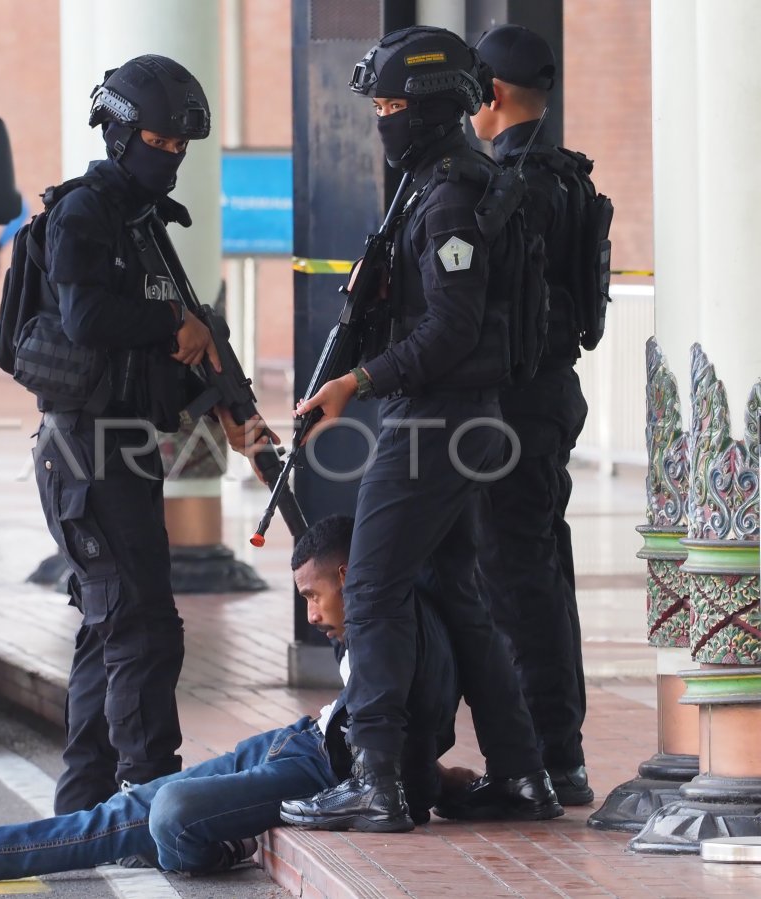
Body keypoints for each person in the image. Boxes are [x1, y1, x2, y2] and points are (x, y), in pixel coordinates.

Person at [278, 26, 562, 831]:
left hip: (440, 421)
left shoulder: (450, 195)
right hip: (456, 418)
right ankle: (522, 773)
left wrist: (357, 381)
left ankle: (375, 780)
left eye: (395, 104)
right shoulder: (437, 179)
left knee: (369, 586)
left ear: (434, 106)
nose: (383, 118)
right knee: (457, 595)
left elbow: (451, 330)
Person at [0, 515, 468, 886]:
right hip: (295, 742)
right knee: (127, 810)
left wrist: (435, 784)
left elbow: (405, 729)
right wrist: (440, 780)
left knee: (167, 814)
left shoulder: (382, 620)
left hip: (313, 771)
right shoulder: (386, 618)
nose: (311, 616)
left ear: (347, 573)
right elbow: (398, 723)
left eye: (315, 597)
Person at [28, 54, 251, 816]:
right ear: (121, 134)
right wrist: (173, 325)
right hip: (83, 451)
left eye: (181, 149)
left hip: (125, 450)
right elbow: (88, 320)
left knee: (111, 627)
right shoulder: (83, 214)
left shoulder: (148, 227)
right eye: (159, 143)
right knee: (142, 629)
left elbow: (188, 342)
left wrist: (235, 410)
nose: (171, 160)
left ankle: (82, 804)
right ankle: (152, 796)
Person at [470, 24, 594, 807]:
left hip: (512, 403)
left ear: (492, 95)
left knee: (514, 580)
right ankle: (563, 748)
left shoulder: (509, 186)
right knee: (546, 570)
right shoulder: (570, 178)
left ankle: (546, 754)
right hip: (553, 394)